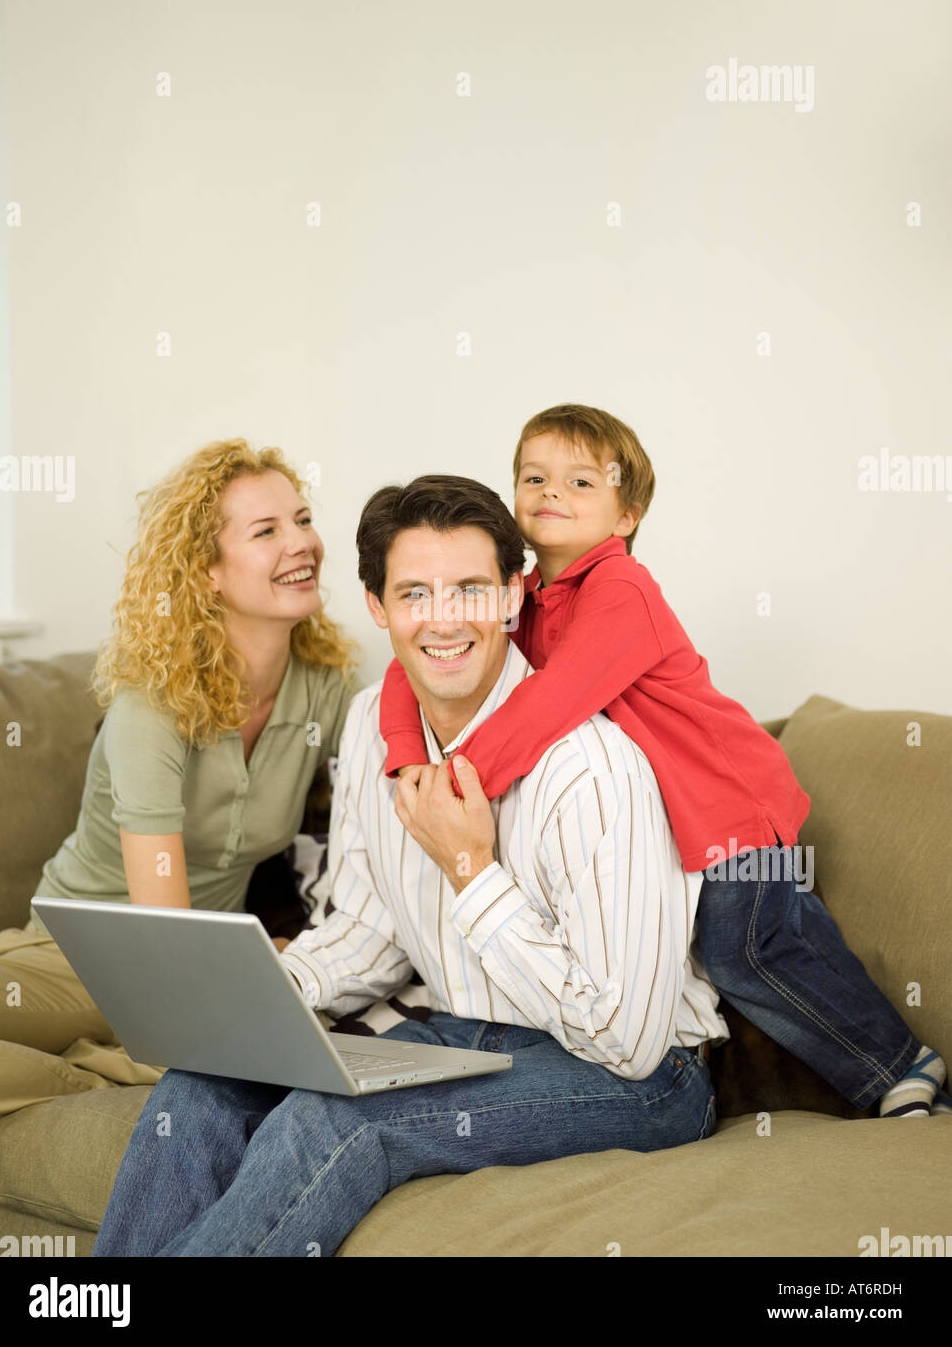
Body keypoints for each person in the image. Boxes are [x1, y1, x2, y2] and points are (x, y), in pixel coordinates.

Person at [91, 474, 727, 1257]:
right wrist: (267, 994)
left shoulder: (590, 771)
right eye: (415, 593)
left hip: (641, 1080)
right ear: (376, 607)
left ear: (511, 597)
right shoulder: (370, 725)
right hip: (462, 1036)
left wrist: (470, 869)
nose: (443, 619)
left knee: (336, 1120)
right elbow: (371, 926)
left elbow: (625, 1040)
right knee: (199, 1085)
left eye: (468, 589)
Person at [378, 403, 947, 1119]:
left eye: (581, 483)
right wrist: (406, 766)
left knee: (749, 949)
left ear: (627, 515)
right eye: (534, 477)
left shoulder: (620, 591)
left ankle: (895, 1066)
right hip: (683, 827)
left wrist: (457, 785)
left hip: (734, 807)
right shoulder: (524, 595)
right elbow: (411, 662)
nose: (552, 493)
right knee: (756, 944)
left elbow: (548, 702)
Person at [0, 439, 361, 1128]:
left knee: (253, 1064)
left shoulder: (326, 685)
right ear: (206, 572)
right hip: (73, 959)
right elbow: (165, 935)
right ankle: (108, 1071)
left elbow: (396, 778)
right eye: (266, 530)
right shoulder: (154, 698)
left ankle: (115, 1063)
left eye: (302, 519)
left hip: (204, 978)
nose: (301, 542)